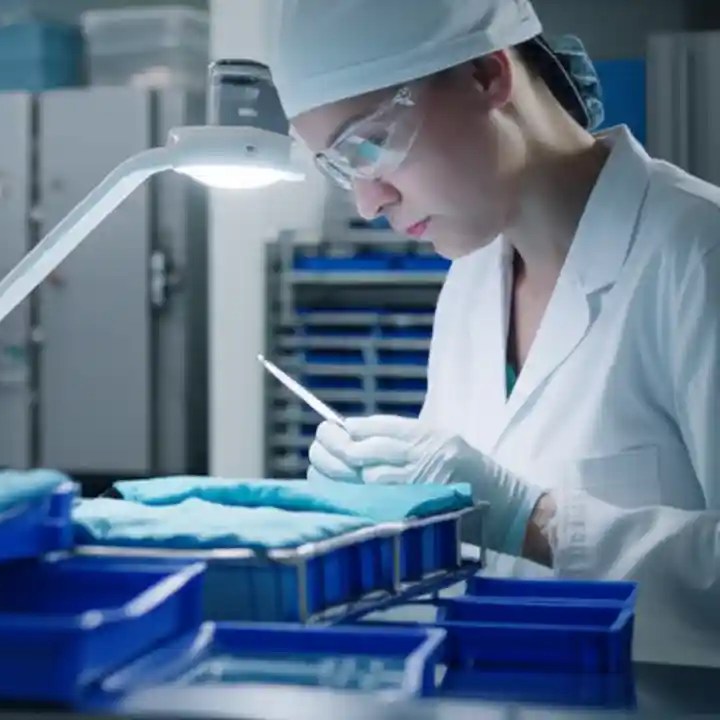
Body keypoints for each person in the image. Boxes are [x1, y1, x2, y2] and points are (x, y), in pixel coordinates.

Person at [273, 0, 720, 667]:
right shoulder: (473, 277)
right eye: (341, 171)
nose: (368, 203)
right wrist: (390, 510)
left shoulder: (696, 254)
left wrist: (530, 518)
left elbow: (513, 517)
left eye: (367, 145)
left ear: (487, 75)